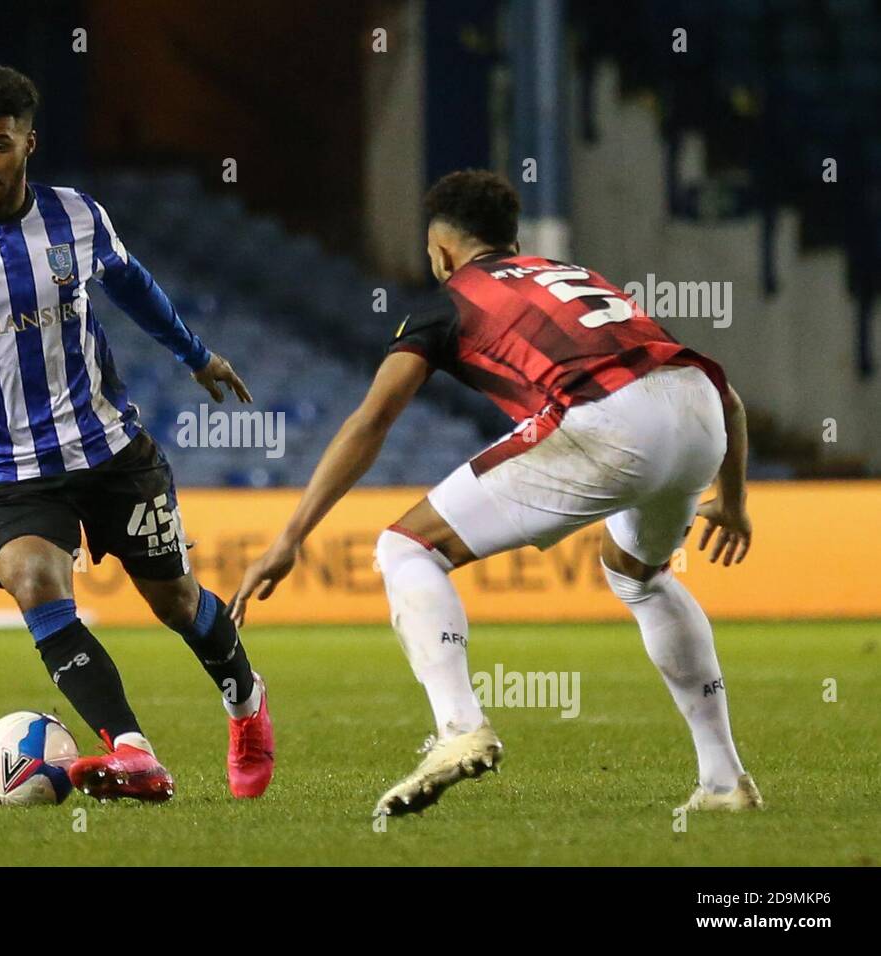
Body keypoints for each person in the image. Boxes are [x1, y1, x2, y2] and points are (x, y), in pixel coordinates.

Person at [232, 169, 760, 817]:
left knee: (406, 549)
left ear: (443, 250)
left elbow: (371, 420)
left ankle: (459, 729)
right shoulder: (575, 276)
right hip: (702, 407)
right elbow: (726, 393)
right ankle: (723, 780)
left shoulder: (449, 300)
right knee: (640, 578)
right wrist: (732, 501)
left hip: (609, 418)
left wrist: (290, 538)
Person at [0, 65, 274, 803]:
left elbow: (133, 285)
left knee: (173, 603)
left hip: (110, 452)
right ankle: (134, 752)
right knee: (33, 580)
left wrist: (198, 356)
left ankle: (246, 702)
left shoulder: (77, 218)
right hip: (12, 471)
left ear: (28, 143)